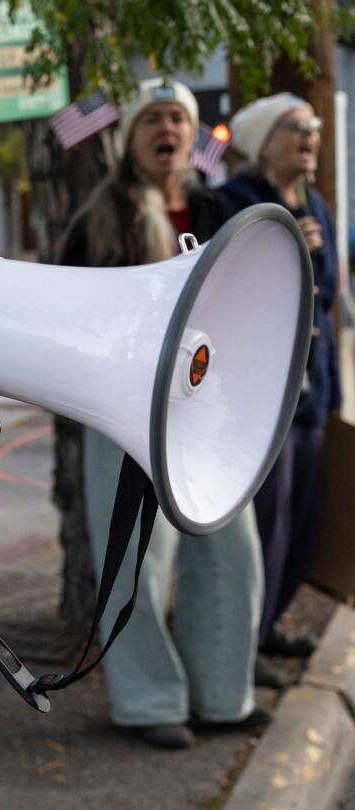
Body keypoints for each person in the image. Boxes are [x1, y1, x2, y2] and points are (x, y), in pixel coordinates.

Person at [58, 79, 269, 750]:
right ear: (132, 136)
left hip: (212, 412)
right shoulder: (99, 215)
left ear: (192, 133)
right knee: (136, 565)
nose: (168, 128)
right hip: (123, 408)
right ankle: (149, 701)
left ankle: (222, 696)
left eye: (178, 116)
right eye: (154, 118)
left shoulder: (219, 208)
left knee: (233, 554)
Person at [219, 93, 339, 678]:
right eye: (296, 127)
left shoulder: (316, 201)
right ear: (266, 140)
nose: (310, 136)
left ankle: (269, 625)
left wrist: (316, 255)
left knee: (309, 518)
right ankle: (245, 642)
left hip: (315, 391)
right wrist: (297, 251)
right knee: (269, 520)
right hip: (266, 397)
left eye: (314, 127)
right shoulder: (238, 200)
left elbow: (331, 292)